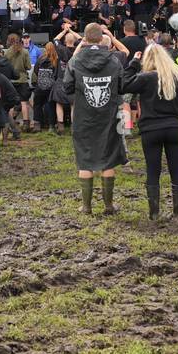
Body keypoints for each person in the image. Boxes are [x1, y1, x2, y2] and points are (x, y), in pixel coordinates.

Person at [62, 23, 127, 215]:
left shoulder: (76, 60)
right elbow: (122, 87)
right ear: (101, 38)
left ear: (85, 38)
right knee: (108, 160)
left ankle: (87, 206)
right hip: (108, 116)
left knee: (85, 159)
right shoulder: (114, 60)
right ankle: (108, 206)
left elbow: (66, 87)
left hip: (84, 116)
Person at [122, 41, 178, 219]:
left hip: (151, 129)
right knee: (176, 169)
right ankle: (177, 212)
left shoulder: (145, 78)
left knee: (153, 170)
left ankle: (154, 213)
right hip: (175, 127)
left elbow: (123, 85)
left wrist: (134, 64)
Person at [4, 33, 32, 136]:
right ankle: (26, 124)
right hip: (22, 79)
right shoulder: (25, 51)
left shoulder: (7, 52)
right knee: (24, 102)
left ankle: (11, 125)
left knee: (11, 105)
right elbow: (28, 67)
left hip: (11, 80)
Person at [31, 41, 62, 133]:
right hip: (51, 87)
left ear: (45, 49)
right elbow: (57, 74)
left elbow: (36, 70)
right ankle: (51, 126)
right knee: (51, 106)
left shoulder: (40, 58)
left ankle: (37, 125)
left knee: (37, 105)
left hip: (40, 86)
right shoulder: (56, 59)